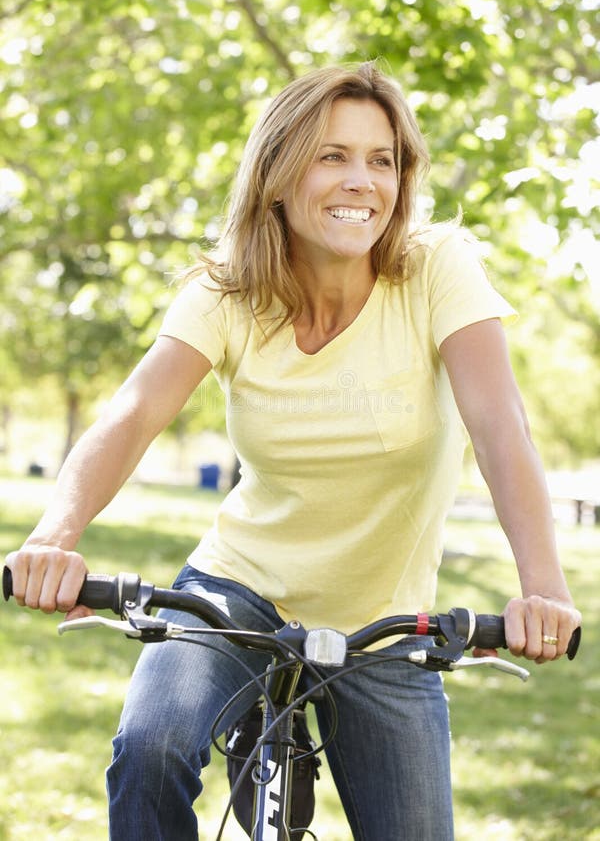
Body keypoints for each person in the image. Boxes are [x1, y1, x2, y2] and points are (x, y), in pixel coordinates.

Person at [6, 61, 581, 841]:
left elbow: (499, 426)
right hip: (236, 591)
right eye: (331, 155)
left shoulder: (436, 269)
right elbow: (132, 416)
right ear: (278, 174)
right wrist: (54, 537)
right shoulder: (227, 292)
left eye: (382, 160)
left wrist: (543, 589)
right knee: (150, 748)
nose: (362, 181)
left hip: (385, 624)